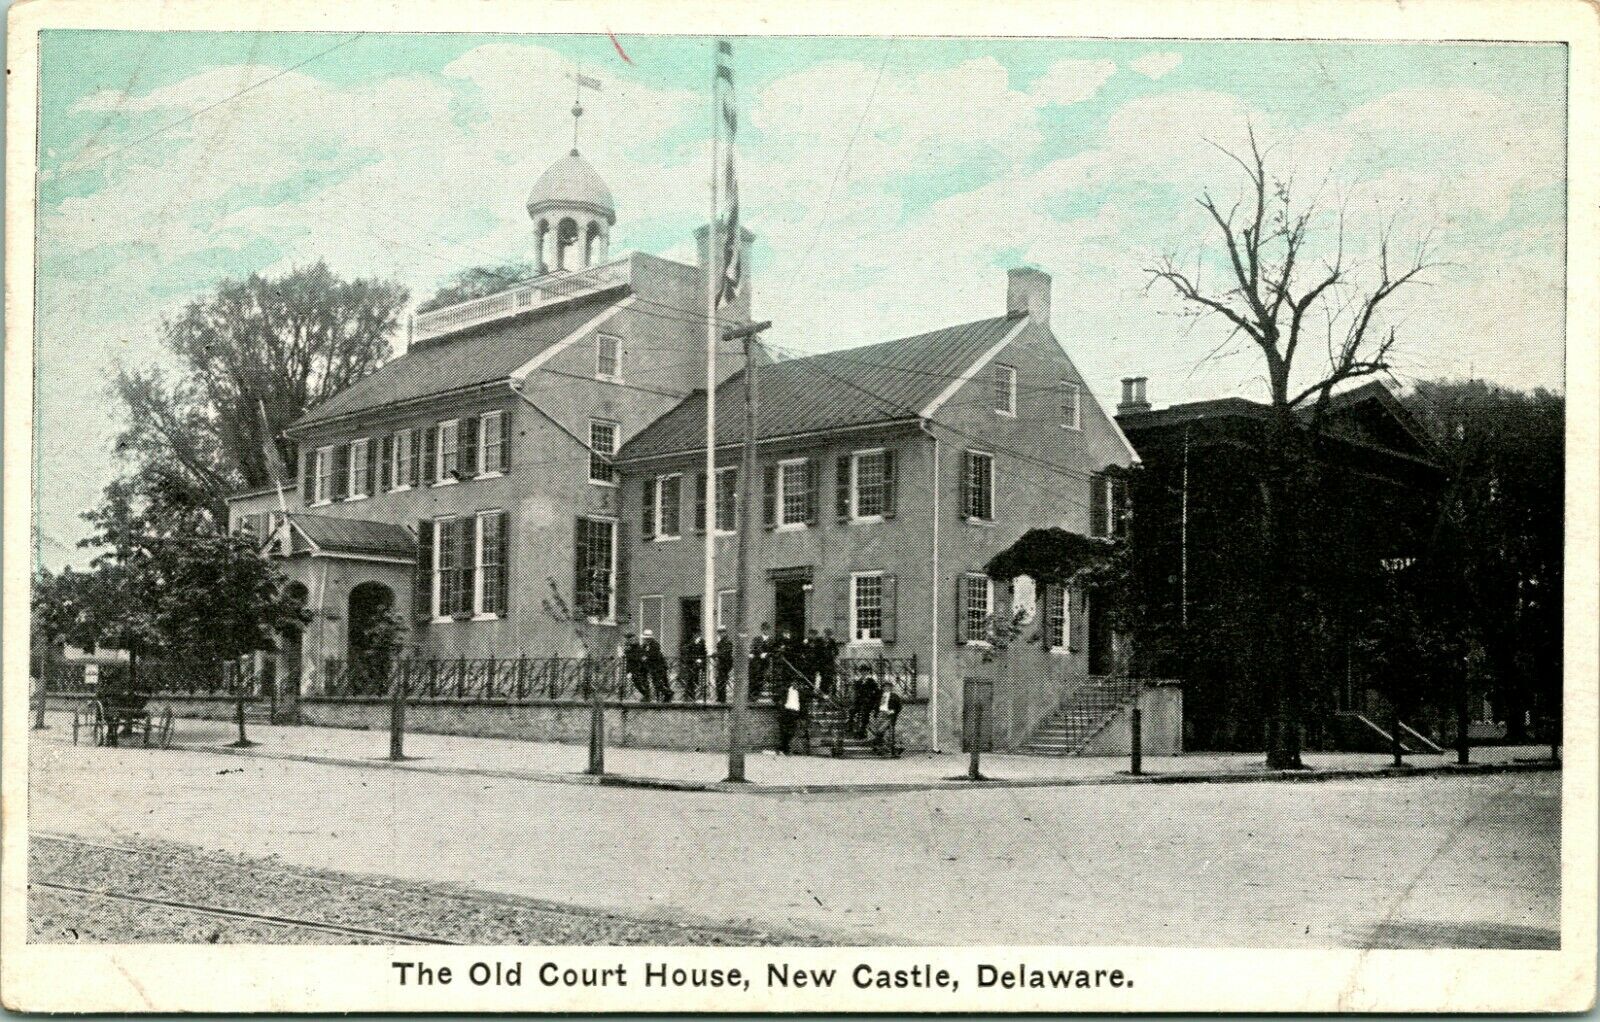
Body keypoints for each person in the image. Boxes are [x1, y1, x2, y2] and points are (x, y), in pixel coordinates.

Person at [869, 680, 903, 755]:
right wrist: (875, 713)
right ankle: (880, 748)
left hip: (889, 716)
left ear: (891, 688)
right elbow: (875, 705)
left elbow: (899, 707)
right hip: (880, 714)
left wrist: (892, 711)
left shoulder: (895, 696)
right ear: (883, 688)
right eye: (885, 687)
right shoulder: (879, 696)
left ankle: (883, 747)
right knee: (876, 730)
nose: (887, 688)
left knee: (881, 730)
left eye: (889, 687)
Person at [851, 663, 880, 738]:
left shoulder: (871, 681)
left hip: (869, 702)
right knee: (852, 710)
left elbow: (877, 693)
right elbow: (856, 693)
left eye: (865, 671)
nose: (863, 673)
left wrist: (875, 703)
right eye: (861, 671)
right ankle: (852, 729)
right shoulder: (858, 681)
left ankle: (862, 731)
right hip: (860, 702)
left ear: (868, 672)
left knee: (864, 713)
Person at [642, 629, 671, 702]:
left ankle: (668, 694)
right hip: (652, 667)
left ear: (650, 638)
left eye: (647, 638)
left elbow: (654, 655)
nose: (645, 639)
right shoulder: (645, 645)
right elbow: (642, 652)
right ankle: (666, 695)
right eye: (645, 638)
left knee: (659, 682)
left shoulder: (655, 644)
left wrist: (646, 657)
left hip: (659, 666)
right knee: (657, 682)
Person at [748, 622, 773, 701]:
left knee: (762, 678)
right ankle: (753, 695)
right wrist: (755, 653)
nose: (766, 630)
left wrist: (767, 654)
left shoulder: (771, 640)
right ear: (762, 629)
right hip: (756, 661)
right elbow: (753, 647)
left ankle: (757, 694)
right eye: (764, 629)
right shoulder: (757, 639)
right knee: (754, 677)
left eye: (767, 629)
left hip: (765, 662)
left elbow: (773, 650)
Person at [623, 632, 651, 702]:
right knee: (638, 681)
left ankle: (647, 695)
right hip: (636, 667)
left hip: (638, 667)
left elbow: (637, 656)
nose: (627, 640)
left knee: (640, 681)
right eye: (627, 638)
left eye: (628, 638)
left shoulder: (635, 646)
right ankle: (646, 695)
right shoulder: (631, 646)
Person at [680, 631, 706, 701]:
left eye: (696, 634)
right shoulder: (692, 641)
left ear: (699, 634)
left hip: (698, 663)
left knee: (694, 679)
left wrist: (700, 660)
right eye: (694, 634)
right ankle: (690, 695)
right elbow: (688, 648)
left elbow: (703, 652)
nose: (695, 635)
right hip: (691, 663)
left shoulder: (702, 642)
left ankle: (692, 695)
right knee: (690, 679)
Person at [818, 627, 841, 696]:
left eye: (829, 634)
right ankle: (822, 692)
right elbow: (817, 651)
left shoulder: (832, 641)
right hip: (822, 662)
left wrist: (834, 656)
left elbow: (836, 652)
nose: (827, 635)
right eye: (826, 634)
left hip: (830, 662)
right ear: (824, 634)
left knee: (830, 677)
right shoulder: (820, 641)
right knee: (823, 677)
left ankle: (830, 693)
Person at [714, 627, 733, 703]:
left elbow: (725, 653)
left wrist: (717, 654)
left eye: (722, 633)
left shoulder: (728, 642)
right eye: (719, 633)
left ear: (725, 633)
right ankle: (720, 697)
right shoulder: (719, 643)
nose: (720, 634)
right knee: (719, 680)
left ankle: (722, 699)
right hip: (721, 663)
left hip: (726, 664)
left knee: (722, 680)